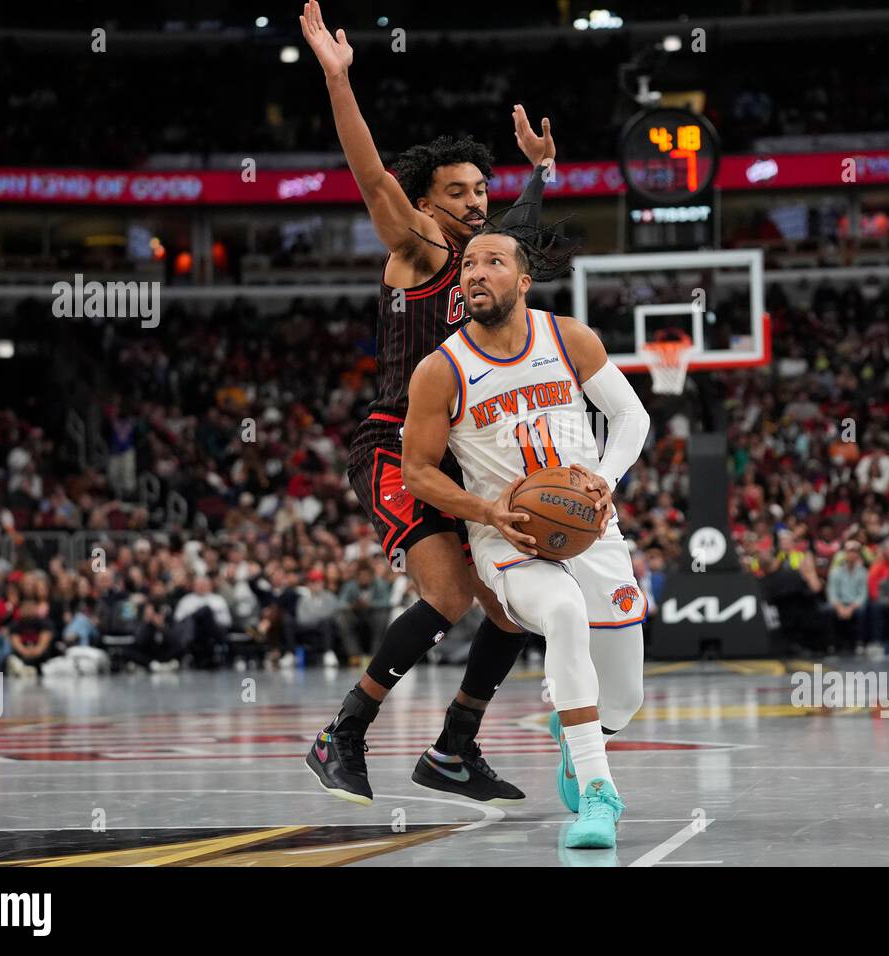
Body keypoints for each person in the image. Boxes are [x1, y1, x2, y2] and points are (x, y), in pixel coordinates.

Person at [300, 1, 557, 806]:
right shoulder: (416, 246)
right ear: (429, 200)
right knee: (445, 598)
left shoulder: (486, 257)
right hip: (392, 449)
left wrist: (541, 172)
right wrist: (341, 83)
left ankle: (453, 749)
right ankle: (341, 733)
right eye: (461, 191)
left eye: (484, 190)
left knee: (511, 614)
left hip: (458, 457)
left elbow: (521, 225)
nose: (478, 202)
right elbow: (371, 175)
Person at [401, 227, 651, 849]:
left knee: (624, 697)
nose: (475, 273)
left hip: (588, 527)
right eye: (467, 266)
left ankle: (578, 732)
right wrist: (484, 512)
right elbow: (416, 471)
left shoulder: (568, 337)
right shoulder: (441, 370)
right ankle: (599, 795)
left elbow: (631, 415)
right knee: (562, 613)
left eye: (492, 262)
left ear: (522, 280)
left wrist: (604, 478)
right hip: (504, 536)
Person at [825, 539, 868, 651]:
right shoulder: (835, 571)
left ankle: (859, 643)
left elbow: (862, 595)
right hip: (839, 603)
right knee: (828, 610)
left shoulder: (863, 572)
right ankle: (831, 644)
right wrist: (840, 607)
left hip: (854, 605)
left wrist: (850, 609)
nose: (852, 554)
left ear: (858, 554)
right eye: (850, 551)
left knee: (862, 611)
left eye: (855, 552)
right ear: (845, 553)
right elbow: (832, 593)